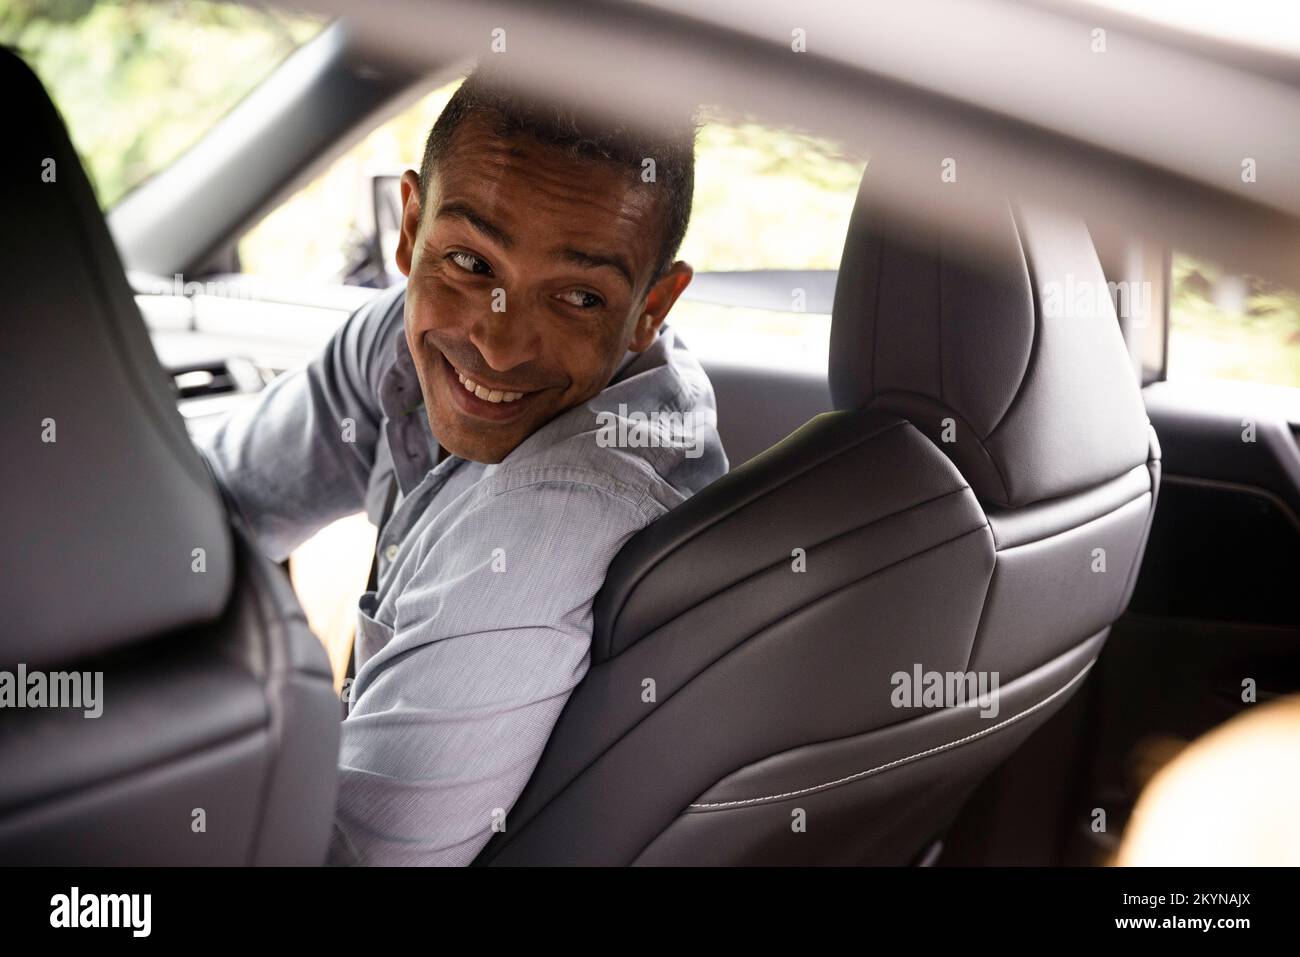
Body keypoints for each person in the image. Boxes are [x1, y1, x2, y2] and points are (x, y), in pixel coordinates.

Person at [198, 67, 727, 865]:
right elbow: (216, 502)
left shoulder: (557, 517)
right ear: (410, 229)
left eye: (578, 297)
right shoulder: (400, 344)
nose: (496, 342)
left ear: (651, 309)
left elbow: (353, 860)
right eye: (473, 264)